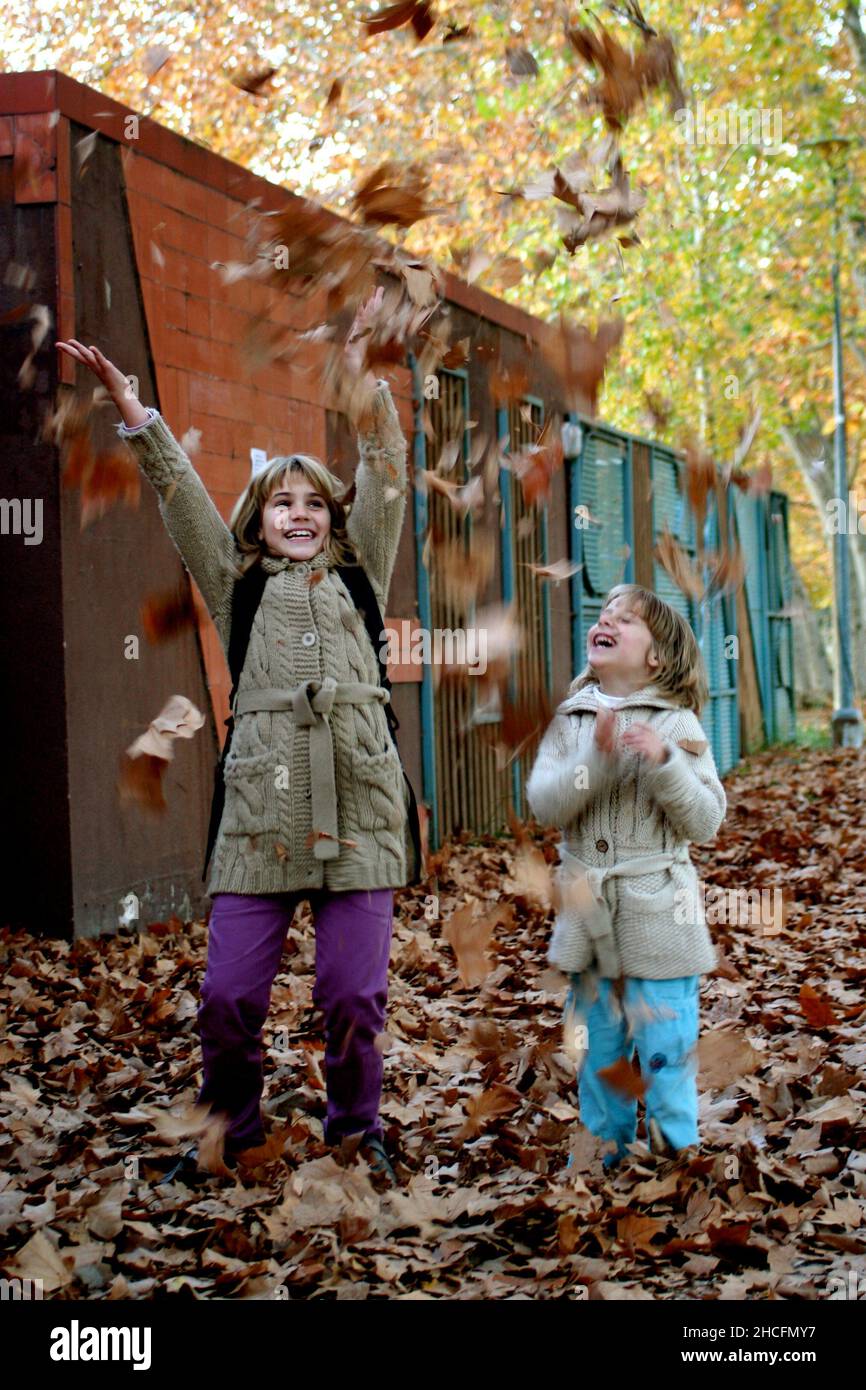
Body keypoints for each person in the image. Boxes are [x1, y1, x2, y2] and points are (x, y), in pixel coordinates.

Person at [56, 287, 410, 1185]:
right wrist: (135, 412)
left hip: (362, 806)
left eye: (315, 504)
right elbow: (178, 494)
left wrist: (364, 369)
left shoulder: (363, 568)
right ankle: (233, 1131)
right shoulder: (236, 583)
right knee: (227, 997)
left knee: (352, 995)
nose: (299, 514)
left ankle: (354, 1127)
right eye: (280, 504)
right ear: (256, 520)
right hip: (260, 812)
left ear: (336, 517)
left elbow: (386, 460)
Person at [525, 583, 726, 1169]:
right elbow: (546, 806)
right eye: (602, 614)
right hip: (590, 917)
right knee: (600, 1049)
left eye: (625, 619)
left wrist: (665, 764)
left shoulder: (680, 724)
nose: (604, 622)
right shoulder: (572, 719)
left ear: (657, 656)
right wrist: (598, 759)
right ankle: (604, 1155)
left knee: (665, 1043)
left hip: (660, 913)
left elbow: (706, 820)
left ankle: (677, 1154)